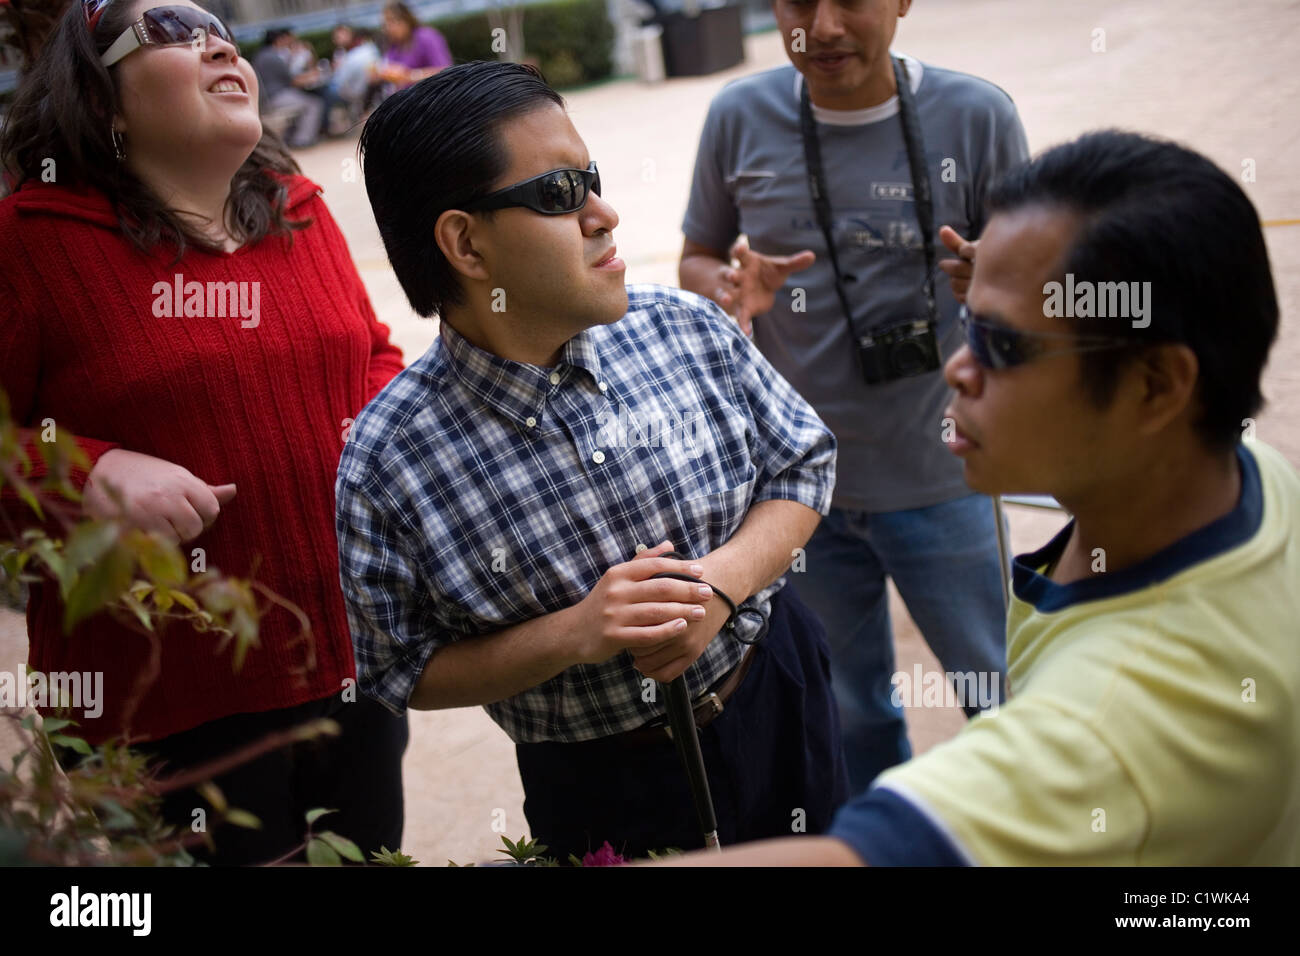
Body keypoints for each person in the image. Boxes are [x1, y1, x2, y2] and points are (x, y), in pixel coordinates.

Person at [662, 130, 1300, 866]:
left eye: (1002, 345)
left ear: (1155, 386)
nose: (959, 369)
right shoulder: (1245, 473)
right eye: (967, 326)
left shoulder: (1105, 730)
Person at [338, 61, 848, 860]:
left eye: (592, 179)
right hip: (600, 779)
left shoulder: (684, 327)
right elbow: (401, 669)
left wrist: (723, 582)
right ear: (464, 243)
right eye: (557, 194)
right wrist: (574, 633)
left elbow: (803, 465)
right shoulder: (387, 461)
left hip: (774, 690)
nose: (604, 214)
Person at [0, 0, 408, 865]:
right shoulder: (28, 244)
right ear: (102, 102)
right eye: (172, 28)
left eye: (218, 22)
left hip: (352, 665)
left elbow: (368, 355)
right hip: (165, 713)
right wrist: (86, 473)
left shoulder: (299, 207)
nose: (218, 38)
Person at [680, 0, 1030, 790]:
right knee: (849, 709)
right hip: (800, 498)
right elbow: (697, 256)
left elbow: (1032, 285)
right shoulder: (739, 114)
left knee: (996, 690)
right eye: (800, 2)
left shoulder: (977, 115)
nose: (825, 28)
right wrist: (731, 286)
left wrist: (997, 281)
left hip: (946, 475)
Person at [252, 27, 325, 148]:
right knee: (313, 104)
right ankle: (302, 140)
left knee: (304, 102)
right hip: (276, 97)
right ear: (279, 39)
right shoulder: (273, 57)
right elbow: (293, 80)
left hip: (269, 97)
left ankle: (291, 137)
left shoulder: (262, 55)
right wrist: (313, 75)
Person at [373, 2, 451, 92]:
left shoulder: (427, 37)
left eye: (392, 21)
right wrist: (379, 75)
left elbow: (446, 71)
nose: (388, 28)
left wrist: (410, 75)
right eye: (385, 24)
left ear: (406, 19)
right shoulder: (394, 45)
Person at [323, 25, 380, 134]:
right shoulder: (363, 50)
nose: (340, 38)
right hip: (364, 90)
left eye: (342, 35)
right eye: (337, 36)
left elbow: (339, 81)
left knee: (323, 95)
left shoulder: (353, 54)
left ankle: (324, 128)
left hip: (352, 92)